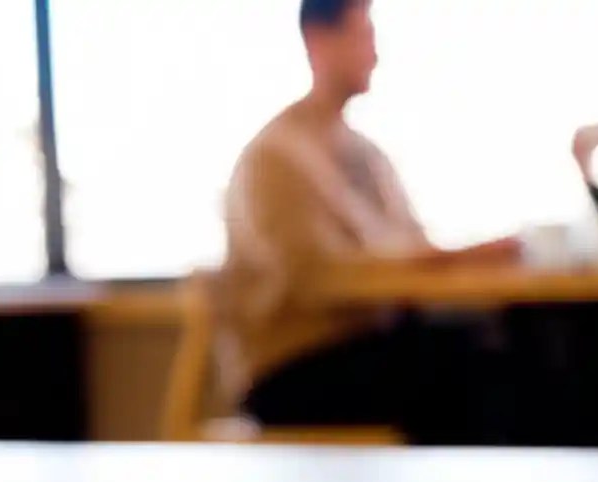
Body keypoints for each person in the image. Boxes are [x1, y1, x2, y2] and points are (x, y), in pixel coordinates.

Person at [217, 0, 518, 437]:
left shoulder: (367, 155)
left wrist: (463, 260)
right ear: (318, 41)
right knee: (467, 362)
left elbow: (412, 246)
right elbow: (317, 278)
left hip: (371, 345)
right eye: (363, 35)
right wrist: (445, 259)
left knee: (508, 338)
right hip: (295, 364)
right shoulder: (274, 157)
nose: (374, 55)